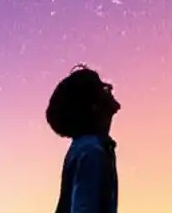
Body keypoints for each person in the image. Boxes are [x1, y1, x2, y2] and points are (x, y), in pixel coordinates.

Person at [46, 64, 121, 213]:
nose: (110, 88)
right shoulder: (91, 151)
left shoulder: (87, 148)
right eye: (103, 88)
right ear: (94, 106)